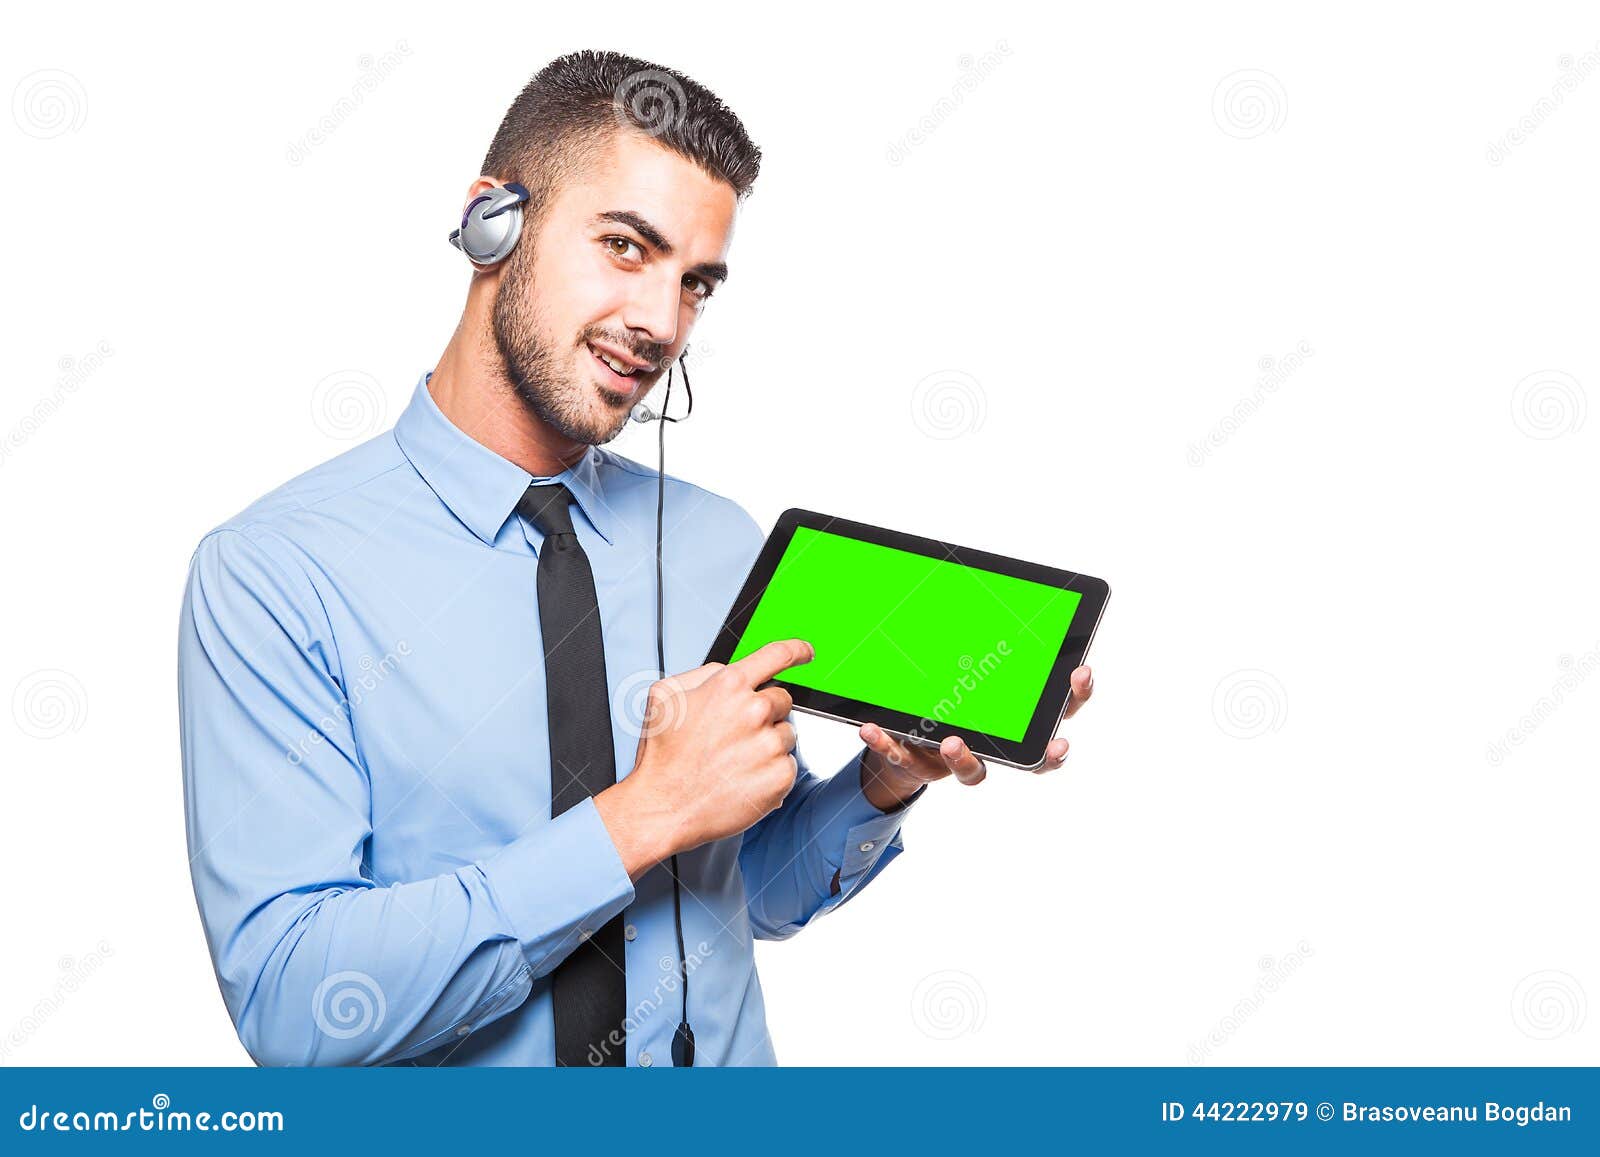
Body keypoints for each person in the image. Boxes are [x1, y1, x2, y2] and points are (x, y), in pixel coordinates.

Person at [177, 49, 1093, 1068]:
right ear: (496, 221)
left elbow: (752, 892)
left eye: (694, 283)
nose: (662, 324)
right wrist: (638, 814)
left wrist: (879, 785)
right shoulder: (274, 572)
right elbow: (298, 1009)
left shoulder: (712, 540)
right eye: (624, 247)